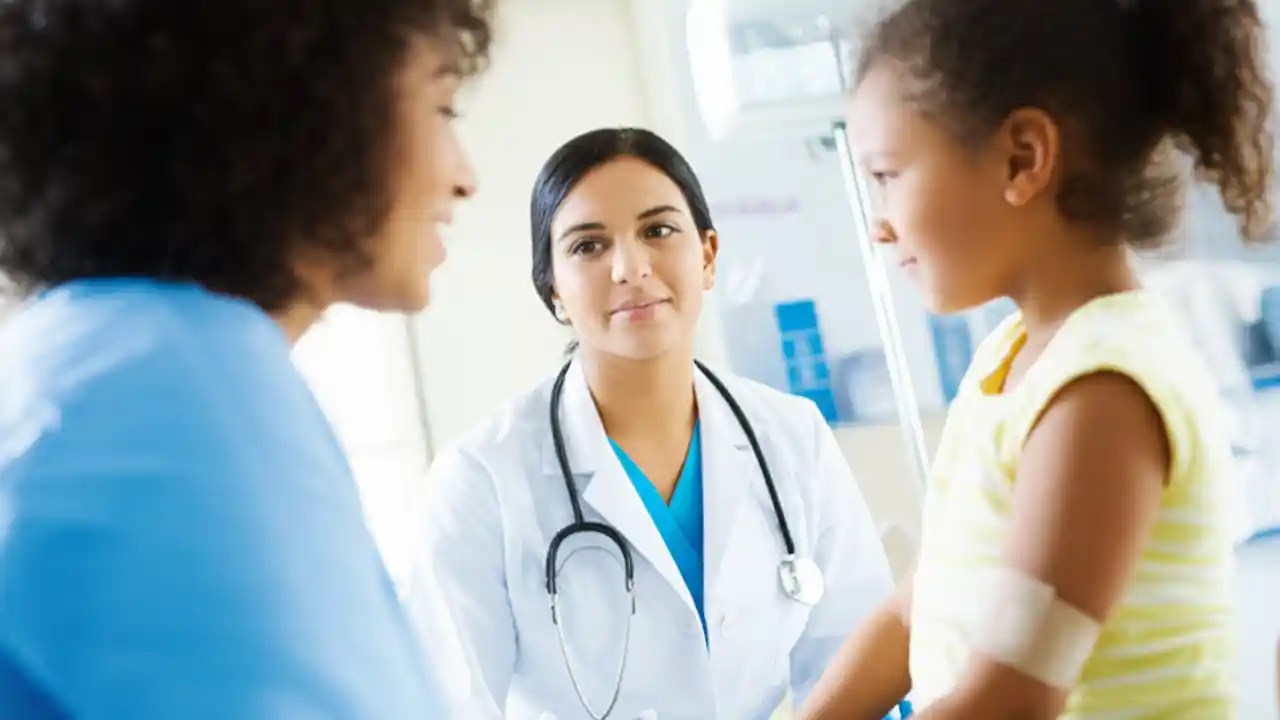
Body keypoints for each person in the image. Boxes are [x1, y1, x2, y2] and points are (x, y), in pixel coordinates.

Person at [0, 1, 488, 717]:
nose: (465, 177)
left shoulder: (107, 355)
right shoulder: (176, 393)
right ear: (313, 102)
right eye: (443, 107)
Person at [799, 0, 1274, 718]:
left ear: (1022, 157)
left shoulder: (1101, 392)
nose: (880, 223)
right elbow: (918, 608)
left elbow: (1013, 698)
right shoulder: (1010, 360)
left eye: (889, 175)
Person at [410, 127, 893, 720]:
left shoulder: (793, 436)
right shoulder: (481, 477)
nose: (630, 267)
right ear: (554, 291)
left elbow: (859, 661)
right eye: (588, 247)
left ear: (708, 255)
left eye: (658, 230)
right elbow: (447, 704)